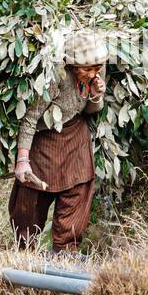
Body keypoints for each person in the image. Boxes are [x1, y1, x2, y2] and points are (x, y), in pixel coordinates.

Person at [10, 29, 108, 254]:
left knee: (77, 190)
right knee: (31, 197)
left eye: (97, 68)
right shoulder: (55, 78)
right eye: (87, 69)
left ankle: (66, 253)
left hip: (76, 141)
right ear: (72, 66)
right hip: (45, 141)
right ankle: (25, 253)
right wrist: (23, 160)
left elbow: (90, 111)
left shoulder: (96, 73)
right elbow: (30, 118)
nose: (94, 73)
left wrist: (95, 95)